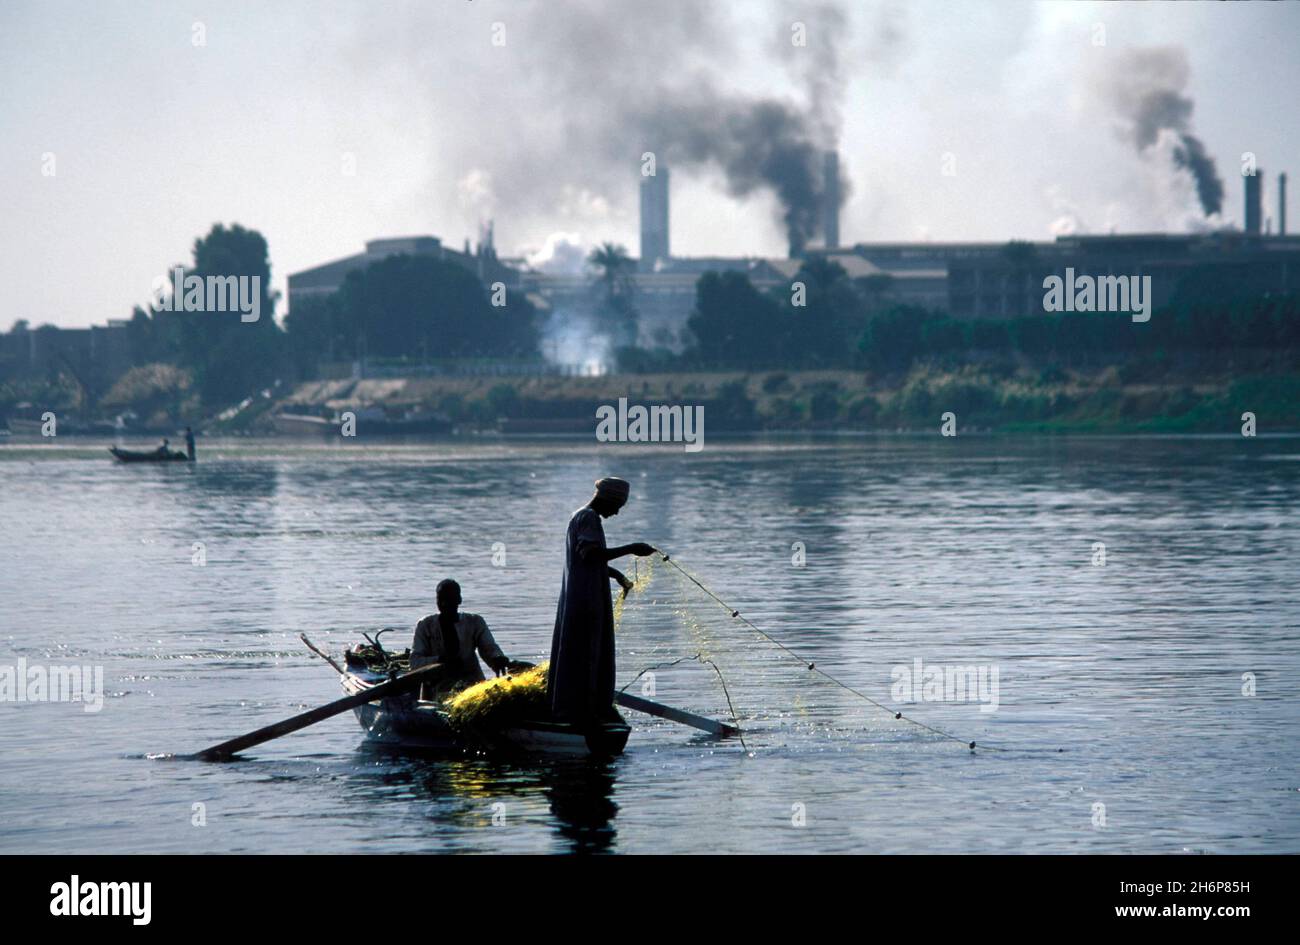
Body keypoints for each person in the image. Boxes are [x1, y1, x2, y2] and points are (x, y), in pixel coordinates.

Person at [548, 477, 655, 727]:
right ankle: (582, 714)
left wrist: (616, 574)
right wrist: (631, 548)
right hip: (585, 601)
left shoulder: (579, 516)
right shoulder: (589, 518)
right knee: (587, 657)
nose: (616, 512)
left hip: (580, 599)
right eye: (616, 506)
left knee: (579, 654)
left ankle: (575, 710)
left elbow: (585, 560)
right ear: (606, 499)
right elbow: (590, 553)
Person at [411, 579, 510, 698]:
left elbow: (489, 648)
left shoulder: (474, 622)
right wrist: (441, 660)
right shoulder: (425, 625)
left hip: (473, 686)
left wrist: (497, 659)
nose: (444, 604)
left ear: (459, 600)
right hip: (438, 690)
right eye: (441, 599)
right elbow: (415, 662)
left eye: (449, 599)